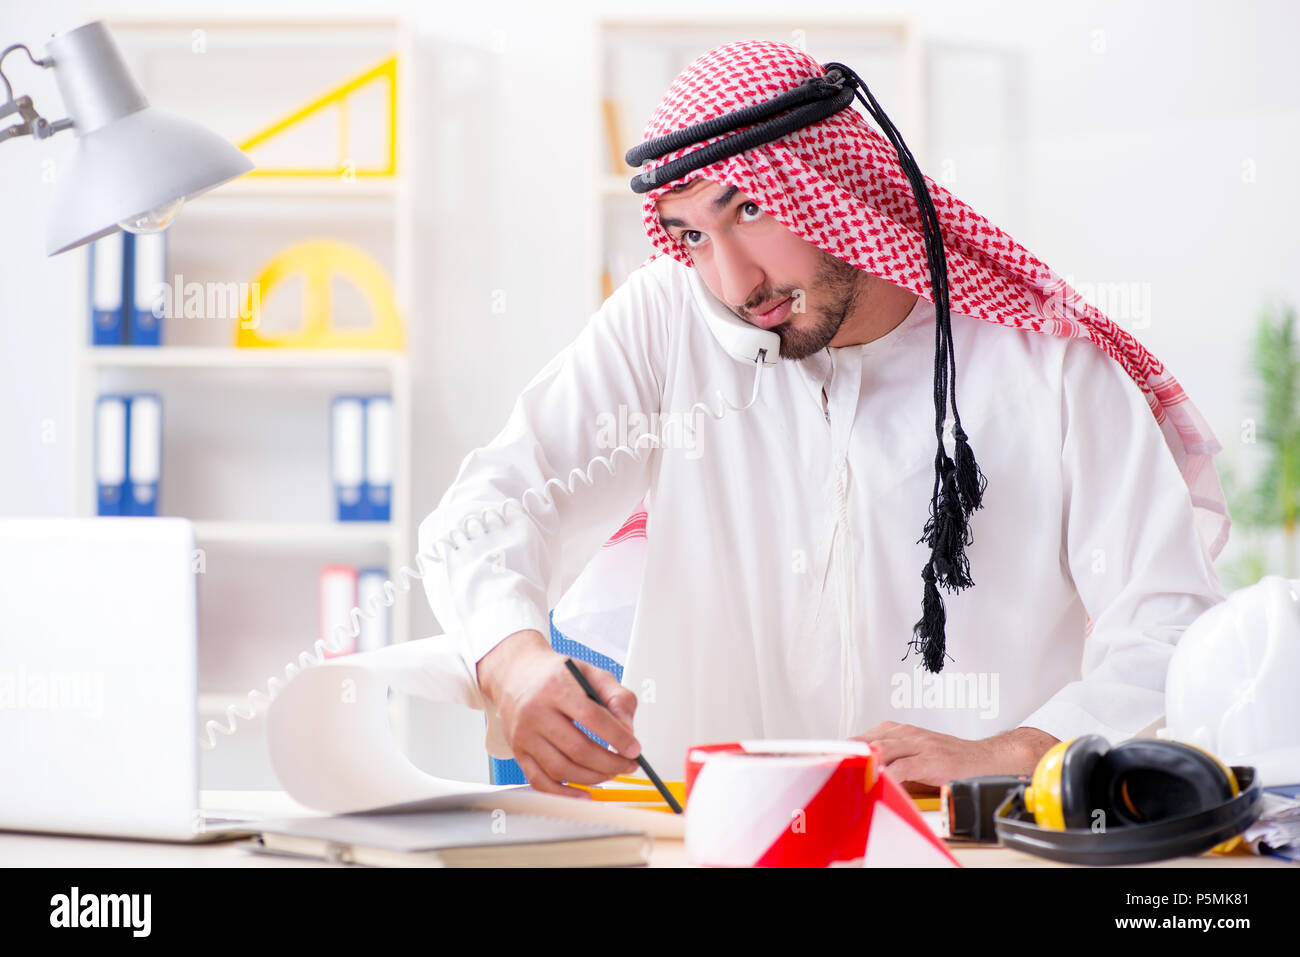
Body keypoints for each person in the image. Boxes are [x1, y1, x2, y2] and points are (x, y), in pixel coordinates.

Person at [418, 40, 1229, 799]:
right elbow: (490, 506)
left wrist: (1015, 753)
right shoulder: (668, 323)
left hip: (971, 846)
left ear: (838, 186)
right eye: (693, 234)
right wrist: (513, 660)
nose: (735, 281)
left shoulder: (1045, 361)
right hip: (704, 839)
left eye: (751, 212)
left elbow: (1169, 628)